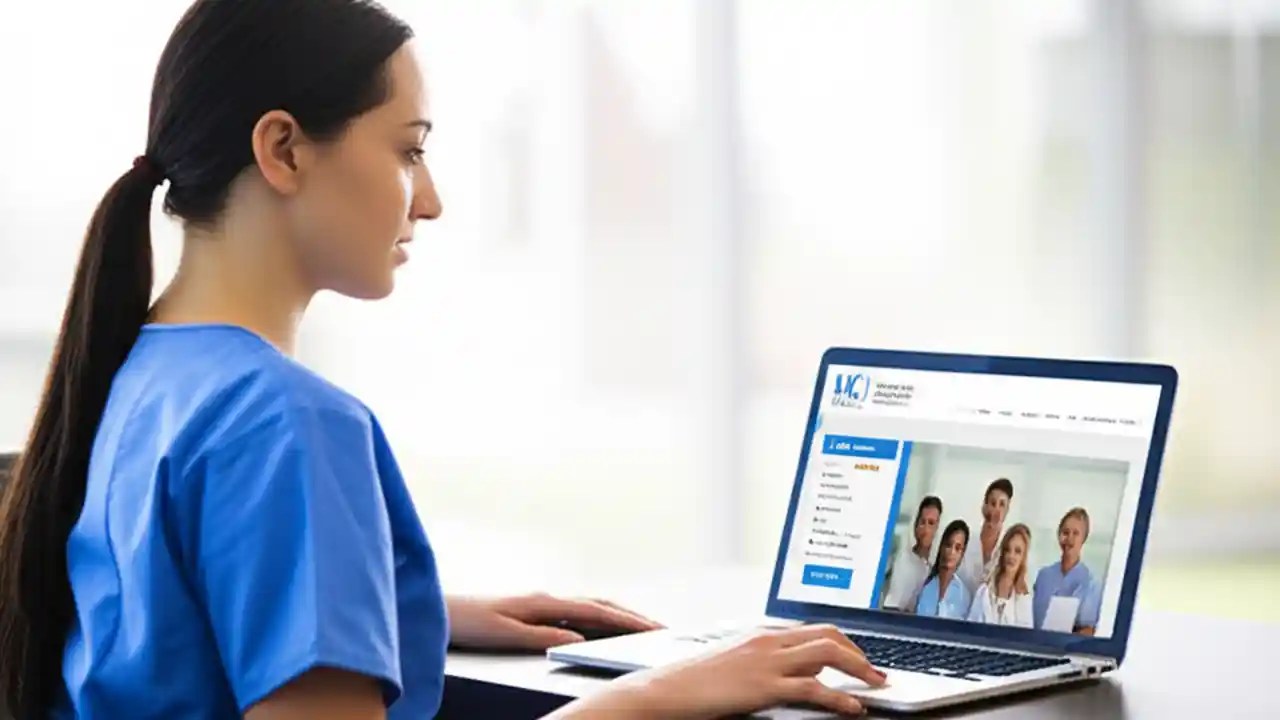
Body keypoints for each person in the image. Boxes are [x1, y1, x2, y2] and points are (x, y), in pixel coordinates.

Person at [0, 2, 886, 719]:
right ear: (283, 149)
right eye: (409, 149)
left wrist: (397, 609)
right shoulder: (288, 423)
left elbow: (172, 618)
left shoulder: (132, 372)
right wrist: (655, 698)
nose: (430, 199)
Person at [1032, 507, 1102, 636]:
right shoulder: (1044, 576)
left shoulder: (1091, 582)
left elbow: (1088, 629)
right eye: (1065, 532)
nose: (1069, 538)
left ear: (1083, 538)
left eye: (1075, 533)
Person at [966, 523, 1034, 628]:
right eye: (1008, 550)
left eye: (1017, 551)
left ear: (1023, 558)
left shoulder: (1024, 599)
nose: (1011, 556)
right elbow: (969, 628)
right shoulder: (984, 591)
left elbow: (1026, 638)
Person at [883, 495, 942, 612]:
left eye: (931, 523)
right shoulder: (904, 562)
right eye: (922, 522)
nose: (925, 529)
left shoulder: (937, 566)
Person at [957, 478, 1014, 596]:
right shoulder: (966, 542)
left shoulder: (1009, 549)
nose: (996, 510)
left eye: (1002, 505)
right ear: (984, 507)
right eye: (993, 503)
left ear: (1007, 510)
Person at [914, 520, 972, 621]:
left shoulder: (964, 596)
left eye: (957, 548)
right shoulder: (925, 587)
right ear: (942, 546)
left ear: (962, 554)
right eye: (948, 545)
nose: (951, 552)